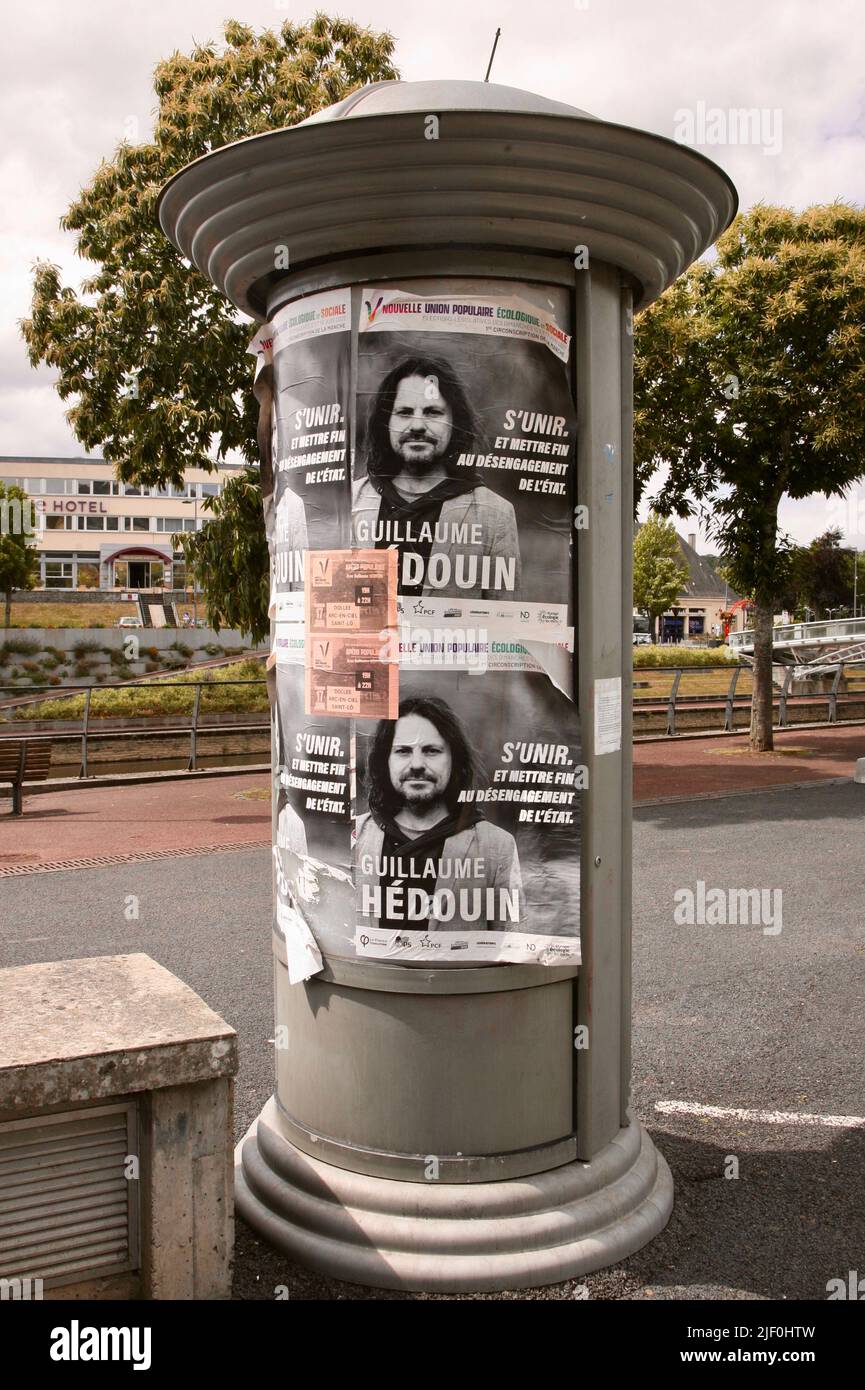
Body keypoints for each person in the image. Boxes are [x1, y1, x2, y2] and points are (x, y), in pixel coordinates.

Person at [353, 355, 520, 599]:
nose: (417, 425)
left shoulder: (494, 515)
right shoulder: (350, 504)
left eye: (432, 412)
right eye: (404, 412)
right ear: (386, 422)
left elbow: (507, 624)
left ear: (455, 422)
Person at [355, 695, 522, 932]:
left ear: (454, 759)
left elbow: (512, 949)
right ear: (385, 760)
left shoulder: (497, 846)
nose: (417, 764)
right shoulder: (355, 837)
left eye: (431, 751)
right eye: (403, 751)